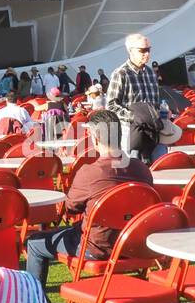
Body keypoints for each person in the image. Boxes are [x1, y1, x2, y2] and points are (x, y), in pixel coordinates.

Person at [23, 110, 151, 286]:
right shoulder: (143, 170)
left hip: (98, 247)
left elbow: (70, 208)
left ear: (95, 139)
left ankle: (35, 302)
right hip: (132, 242)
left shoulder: (91, 172)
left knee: (35, 242)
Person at [104, 33, 162, 157]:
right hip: (131, 132)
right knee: (134, 170)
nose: (147, 54)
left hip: (152, 131)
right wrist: (134, 117)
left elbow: (156, 102)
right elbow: (111, 106)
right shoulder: (121, 74)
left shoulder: (151, 73)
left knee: (160, 167)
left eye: (148, 50)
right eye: (142, 50)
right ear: (131, 51)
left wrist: (161, 112)